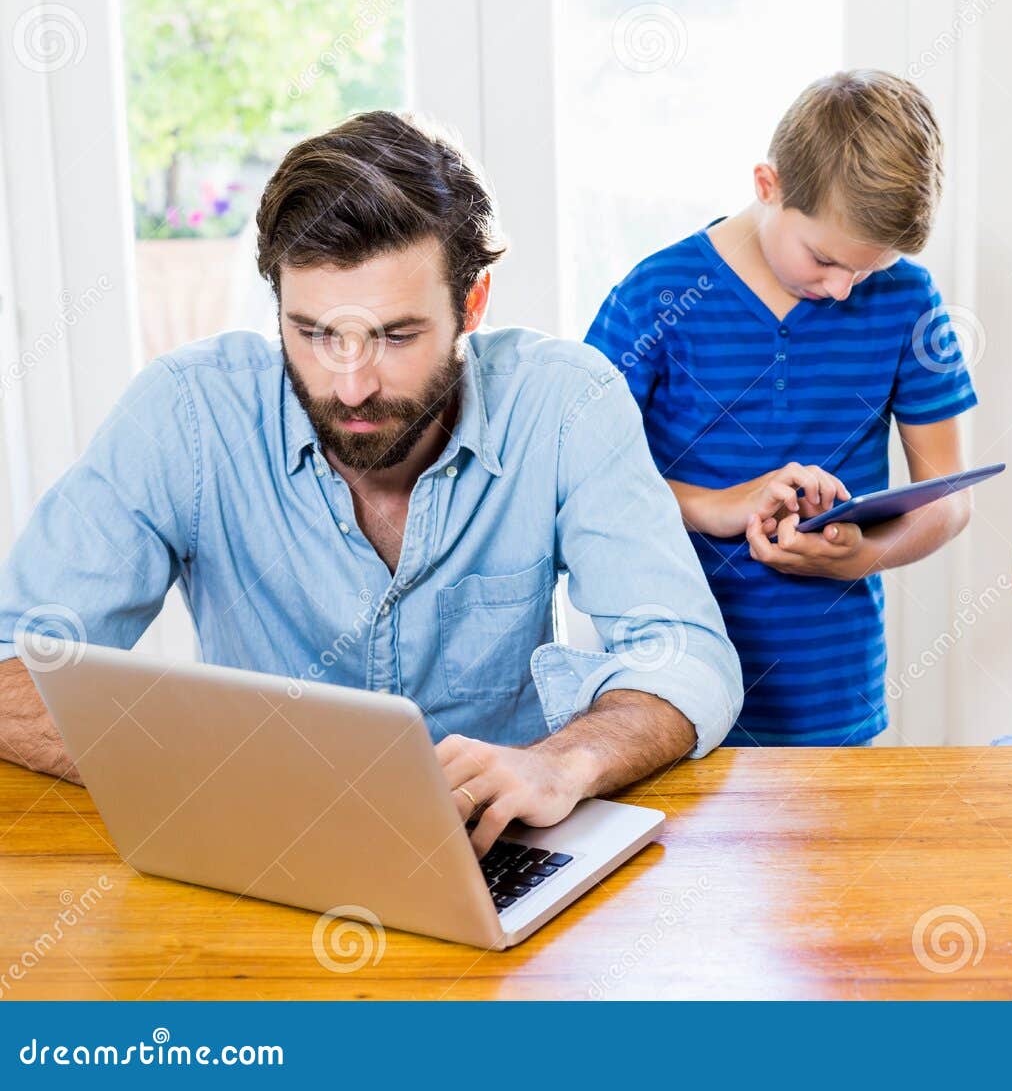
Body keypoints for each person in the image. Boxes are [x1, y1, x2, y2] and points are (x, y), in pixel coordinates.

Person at [0, 111, 742, 855]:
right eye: (316, 332)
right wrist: (226, 775)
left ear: (473, 303)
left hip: (495, 850)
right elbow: (14, 660)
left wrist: (563, 762)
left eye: (395, 335)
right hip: (262, 851)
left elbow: (685, 653)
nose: (350, 385)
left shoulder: (566, 401)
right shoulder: (187, 413)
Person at [585, 70, 979, 746]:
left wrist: (863, 554)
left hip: (833, 696)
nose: (843, 287)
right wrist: (721, 504)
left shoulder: (909, 300)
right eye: (824, 259)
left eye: (867, 269)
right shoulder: (655, 295)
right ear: (768, 185)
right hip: (665, 692)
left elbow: (948, 496)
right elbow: (582, 486)